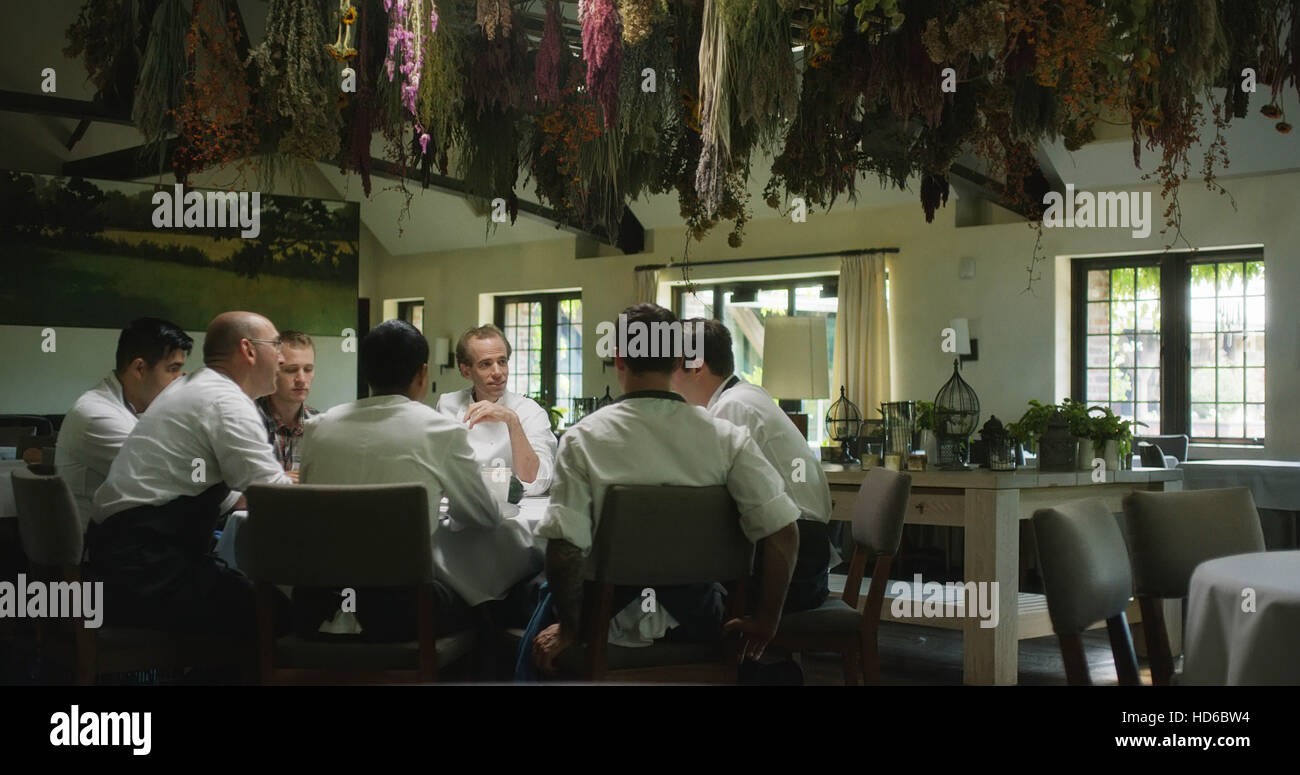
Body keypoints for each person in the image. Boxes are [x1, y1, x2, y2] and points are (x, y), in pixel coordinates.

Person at [532, 303, 801, 673]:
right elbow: (783, 530)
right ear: (678, 360)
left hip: (603, 624)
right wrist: (766, 621)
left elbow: (564, 550)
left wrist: (569, 628)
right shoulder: (727, 438)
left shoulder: (583, 440)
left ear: (619, 359)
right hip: (700, 624)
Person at [298, 320, 533, 639]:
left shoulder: (317, 428)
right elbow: (484, 515)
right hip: (402, 611)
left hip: (313, 607)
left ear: (366, 371)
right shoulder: (439, 431)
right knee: (488, 611)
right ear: (423, 374)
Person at [88, 311, 293, 638]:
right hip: (146, 572)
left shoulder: (193, 387)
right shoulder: (225, 401)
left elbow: (230, 492)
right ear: (248, 350)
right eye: (277, 345)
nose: (282, 358)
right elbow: (276, 498)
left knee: (258, 599)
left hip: (121, 561)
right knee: (280, 615)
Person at [672, 318, 835, 613]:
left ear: (695, 365)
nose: (665, 379)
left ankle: (720, 656)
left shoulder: (731, 409)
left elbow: (709, 500)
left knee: (667, 576)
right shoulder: (746, 396)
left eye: (669, 367)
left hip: (793, 567)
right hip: (806, 559)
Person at [58, 317, 193, 529]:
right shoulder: (98, 415)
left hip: (133, 538)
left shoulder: (137, 409)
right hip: (107, 550)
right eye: (172, 369)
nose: (181, 380)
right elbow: (178, 480)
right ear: (139, 368)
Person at [436, 324, 557, 496]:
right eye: (485, 364)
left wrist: (512, 421)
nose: (498, 372)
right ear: (466, 371)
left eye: (502, 362)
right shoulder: (449, 405)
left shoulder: (530, 411)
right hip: (464, 510)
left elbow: (537, 481)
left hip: (520, 514)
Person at [255, 330, 319, 473]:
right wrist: (278, 483)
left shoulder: (320, 425)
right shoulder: (247, 419)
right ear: (273, 370)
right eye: (291, 370)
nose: (301, 380)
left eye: (308, 369)